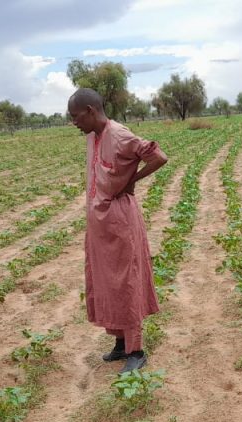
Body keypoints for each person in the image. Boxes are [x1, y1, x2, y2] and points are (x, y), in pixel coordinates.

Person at [68, 88, 168, 373]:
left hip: (120, 220)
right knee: (107, 282)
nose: (74, 122)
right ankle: (120, 344)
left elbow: (158, 157)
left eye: (76, 117)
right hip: (100, 223)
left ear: (90, 110)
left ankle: (136, 349)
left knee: (126, 281)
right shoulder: (93, 137)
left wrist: (132, 181)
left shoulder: (120, 135)